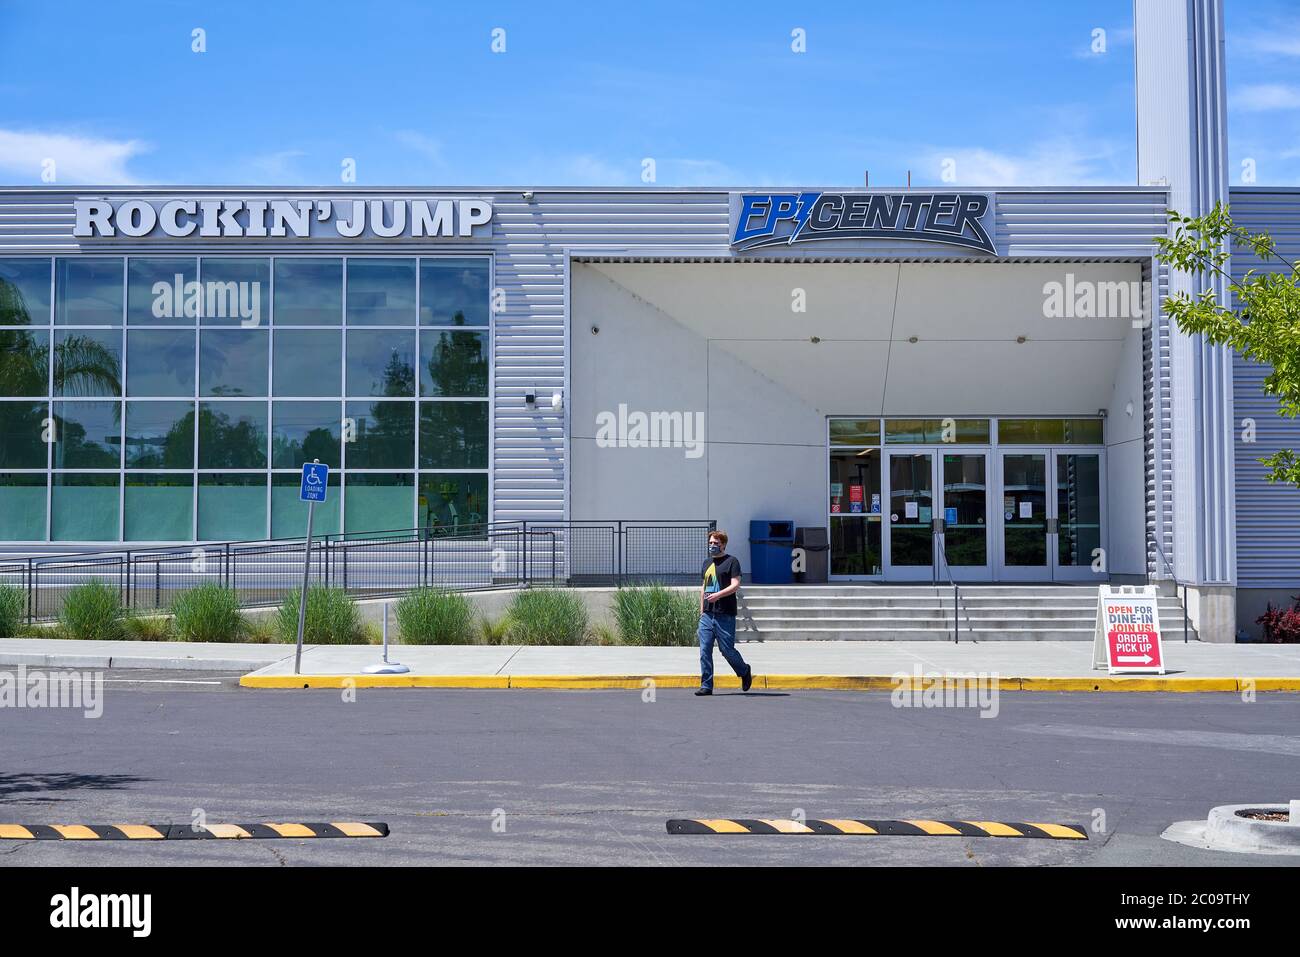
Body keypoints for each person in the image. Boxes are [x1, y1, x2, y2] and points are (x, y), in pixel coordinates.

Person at [696, 530, 753, 696]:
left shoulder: (732, 562)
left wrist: (718, 595)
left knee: (727, 650)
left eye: (716, 543)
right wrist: (702, 610)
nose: (713, 546)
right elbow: (703, 588)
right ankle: (706, 685)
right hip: (707, 615)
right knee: (704, 649)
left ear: (723, 544)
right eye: (711, 543)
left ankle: (744, 670)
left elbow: (735, 585)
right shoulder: (707, 563)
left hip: (725, 614)